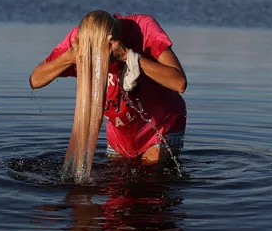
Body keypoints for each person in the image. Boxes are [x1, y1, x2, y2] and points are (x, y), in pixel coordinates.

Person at [28, 10, 188, 163]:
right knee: (117, 183)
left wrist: (128, 55)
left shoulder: (142, 28)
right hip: (120, 133)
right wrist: (69, 58)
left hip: (161, 125)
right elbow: (35, 80)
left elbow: (179, 83)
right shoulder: (79, 40)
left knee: (150, 178)